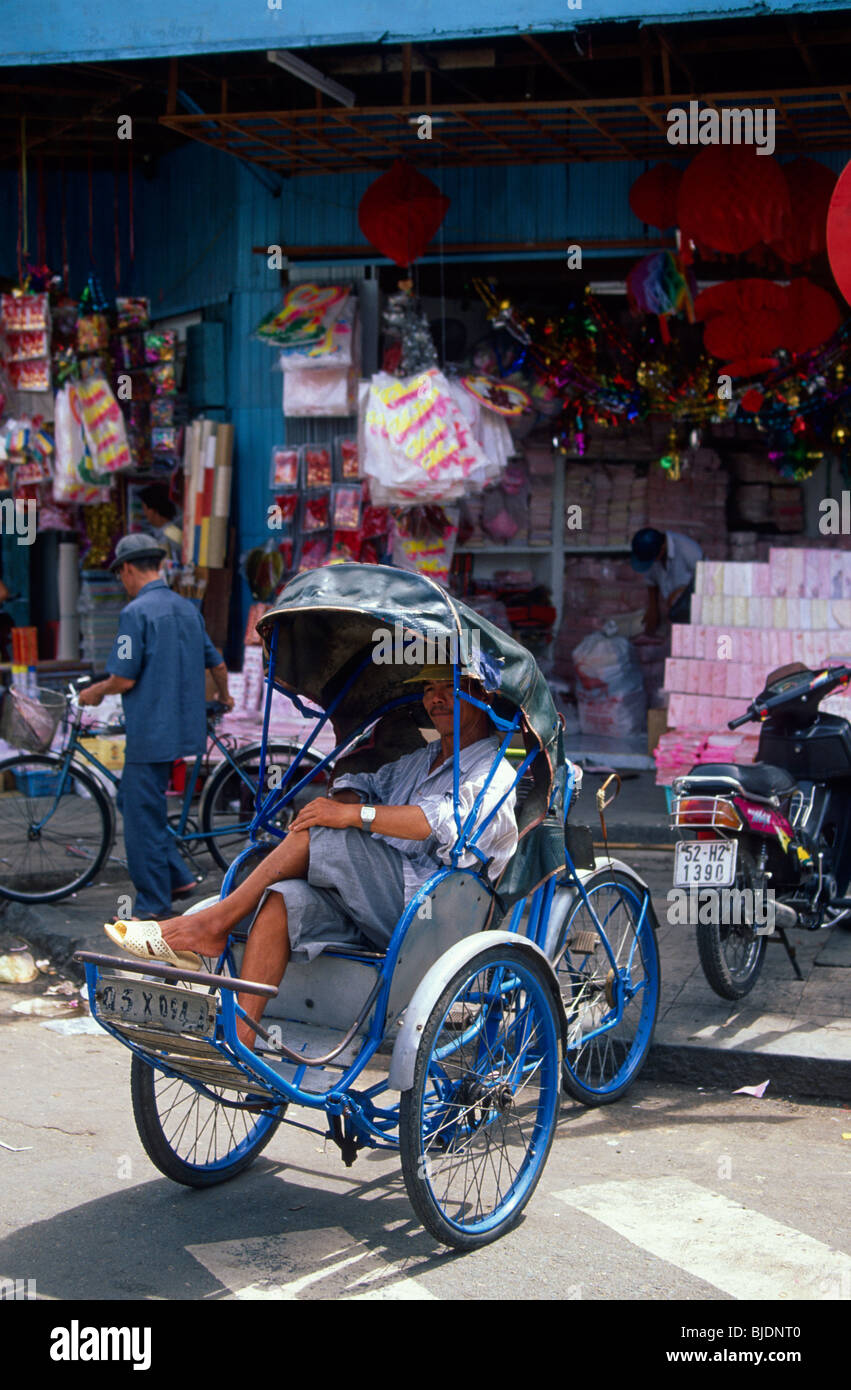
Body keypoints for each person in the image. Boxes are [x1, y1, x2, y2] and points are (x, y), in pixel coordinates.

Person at [104, 664, 519, 1049]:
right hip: (374, 899)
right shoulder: (423, 759)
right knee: (282, 899)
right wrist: (345, 799)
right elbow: (363, 781)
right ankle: (241, 1041)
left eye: (449, 688)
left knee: (328, 828)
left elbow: (440, 823)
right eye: (429, 689)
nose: (436, 699)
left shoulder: (493, 772)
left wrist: (350, 815)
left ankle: (210, 925)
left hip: (430, 911)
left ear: (482, 696)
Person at [80, 533, 233, 918]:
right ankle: (179, 876)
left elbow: (123, 678)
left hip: (151, 733)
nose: (122, 581)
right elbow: (216, 664)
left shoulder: (136, 613)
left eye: (121, 574)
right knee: (134, 802)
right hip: (183, 730)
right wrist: (224, 698)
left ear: (129, 569)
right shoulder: (186, 608)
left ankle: (151, 904)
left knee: (140, 821)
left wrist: (96, 692)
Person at [630, 527, 703, 635]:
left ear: (663, 548)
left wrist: (684, 592)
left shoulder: (687, 549)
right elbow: (651, 581)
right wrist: (653, 608)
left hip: (694, 608)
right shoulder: (652, 555)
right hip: (673, 611)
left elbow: (706, 577)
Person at [138, 483, 183, 581]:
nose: (144, 513)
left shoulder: (172, 533)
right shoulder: (166, 532)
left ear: (153, 510)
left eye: (145, 509)